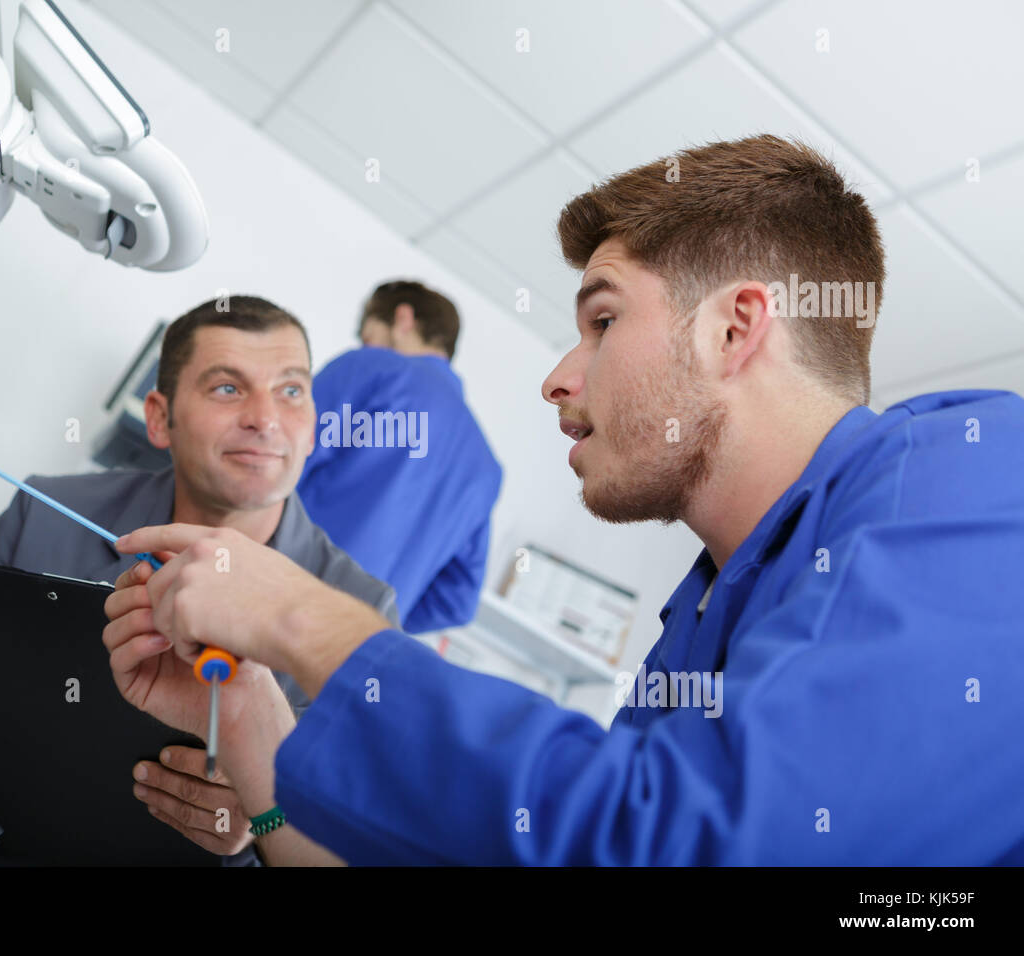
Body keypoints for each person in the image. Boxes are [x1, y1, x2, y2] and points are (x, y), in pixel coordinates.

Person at [103, 135, 1024, 865]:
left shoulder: (967, 468)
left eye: (603, 321)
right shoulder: (699, 617)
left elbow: (696, 846)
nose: (557, 377)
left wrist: (301, 614)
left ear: (735, 329)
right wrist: (260, 737)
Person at [0, 295, 397, 866]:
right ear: (159, 418)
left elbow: (350, 842)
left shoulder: (357, 610)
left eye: (291, 391)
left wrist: (257, 822)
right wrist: (20, 723)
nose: (265, 417)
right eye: (227, 388)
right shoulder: (49, 510)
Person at [295, 281, 501, 633]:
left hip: (273, 601)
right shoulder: (486, 467)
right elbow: (457, 602)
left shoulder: (372, 369)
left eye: (367, 333)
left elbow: (277, 460)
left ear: (402, 319)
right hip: (346, 659)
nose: (365, 345)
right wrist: (377, 621)